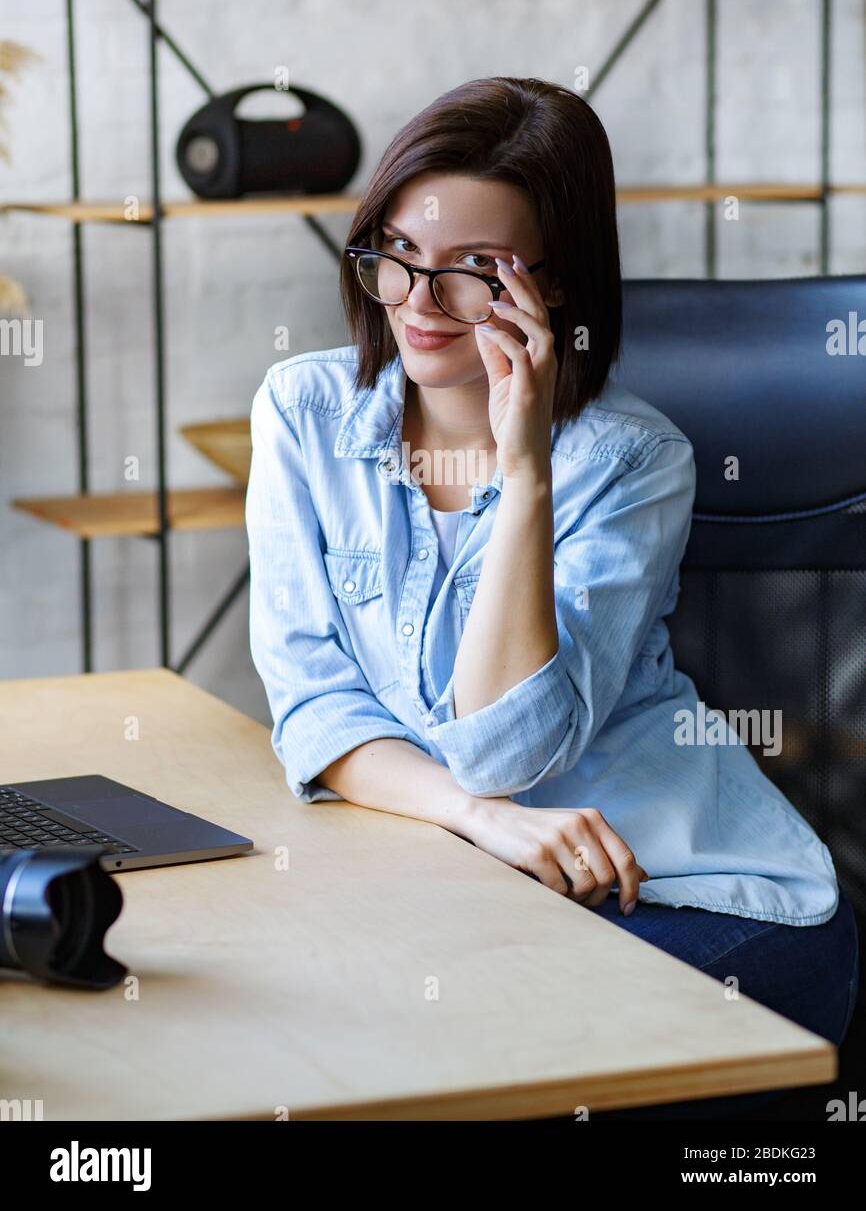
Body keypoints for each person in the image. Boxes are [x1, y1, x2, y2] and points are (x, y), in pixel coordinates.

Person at [245, 76, 858, 1119]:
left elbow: (499, 748)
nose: (416, 303)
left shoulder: (631, 459)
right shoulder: (304, 411)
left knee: (457, 1067)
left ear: (554, 287)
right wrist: (480, 822)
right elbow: (313, 707)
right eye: (395, 254)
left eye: (473, 273)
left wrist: (522, 467)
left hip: (696, 899)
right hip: (489, 876)